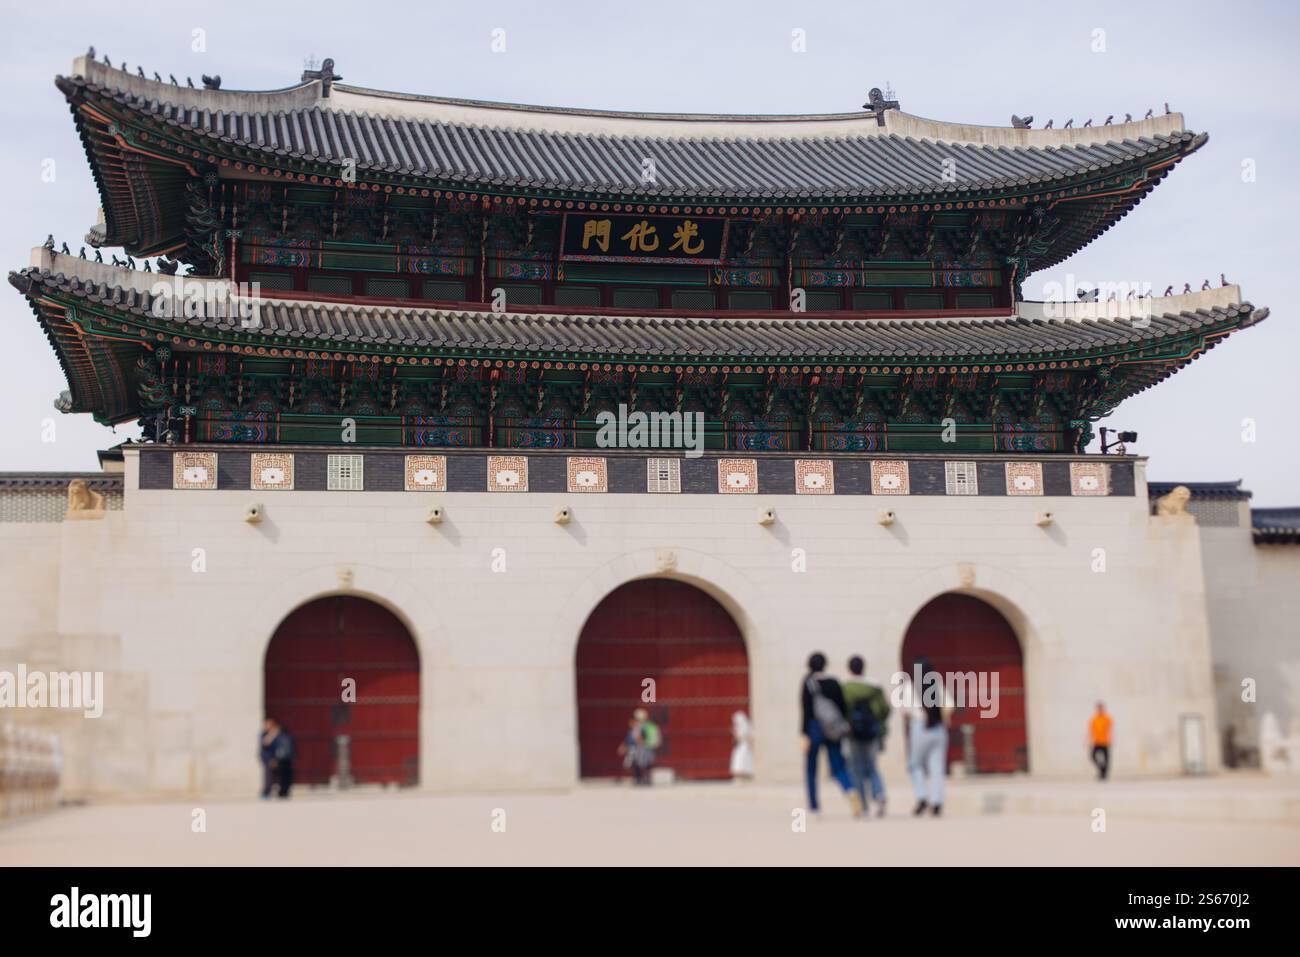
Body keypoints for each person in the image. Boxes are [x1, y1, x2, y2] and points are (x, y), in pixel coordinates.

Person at [800, 652, 862, 816]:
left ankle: (814, 806)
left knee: (811, 769)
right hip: (834, 729)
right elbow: (842, 707)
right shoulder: (834, 682)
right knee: (838, 766)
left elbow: (806, 711)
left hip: (815, 728)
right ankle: (850, 790)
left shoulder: (808, 682)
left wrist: (803, 733)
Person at [902, 656, 953, 816]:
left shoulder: (910, 688)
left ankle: (922, 796)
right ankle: (937, 801)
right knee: (937, 767)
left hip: (920, 727)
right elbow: (949, 706)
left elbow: (906, 711)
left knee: (915, 764)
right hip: (938, 728)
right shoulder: (937, 685)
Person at [842, 656, 890, 817]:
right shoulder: (875, 686)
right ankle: (879, 794)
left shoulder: (846, 687)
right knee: (872, 766)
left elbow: (843, 710)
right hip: (872, 732)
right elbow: (885, 709)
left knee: (856, 768)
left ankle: (863, 806)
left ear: (850, 668)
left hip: (853, 733)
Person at [633, 708, 661, 786]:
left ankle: (639, 779)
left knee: (639, 762)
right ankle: (647, 778)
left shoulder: (639, 726)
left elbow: (638, 737)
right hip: (650, 746)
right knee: (648, 763)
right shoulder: (651, 725)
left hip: (642, 747)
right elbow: (657, 736)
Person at [1090, 702, 1113, 780]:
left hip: (1105, 741)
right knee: (1093, 756)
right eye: (1099, 708)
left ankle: (1103, 775)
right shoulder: (1094, 719)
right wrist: (1089, 740)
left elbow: (1111, 730)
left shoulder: (1107, 719)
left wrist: (1111, 738)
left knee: (1107, 759)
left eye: (1101, 708)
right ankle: (1101, 768)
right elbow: (1091, 730)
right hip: (1097, 741)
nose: (1100, 710)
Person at [272, 724, 296, 798]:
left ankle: (282, 791)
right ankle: (285, 791)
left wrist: (274, 758)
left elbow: (275, 749)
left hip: (281, 759)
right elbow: (293, 748)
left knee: (281, 776)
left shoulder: (278, 738)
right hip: (288, 759)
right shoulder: (289, 737)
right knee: (287, 776)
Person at [730, 710, 754, 781]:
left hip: (742, 746)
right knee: (742, 760)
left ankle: (743, 775)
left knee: (741, 760)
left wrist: (734, 733)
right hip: (743, 746)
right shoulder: (745, 727)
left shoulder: (742, 728)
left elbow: (740, 737)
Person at [259, 719, 279, 799]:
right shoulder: (264, 734)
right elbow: (265, 743)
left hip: (273, 757)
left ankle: (270, 791)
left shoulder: (275, 735)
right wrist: (273, 734)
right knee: (268, 775)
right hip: (266, 757)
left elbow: (276, 747)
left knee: (273, 775)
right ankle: (265, 792)